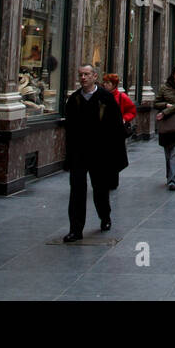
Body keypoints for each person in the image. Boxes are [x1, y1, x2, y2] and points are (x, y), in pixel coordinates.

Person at [63, 64, 128, 241]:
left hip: (100, 154)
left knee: (100, 189)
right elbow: (69, 129)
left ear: (94, 76)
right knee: (77, 191)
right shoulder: (74, 99)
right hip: (79, 153)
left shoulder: (105, 98)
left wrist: (114, 155)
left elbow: (116, 128)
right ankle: (75, 229)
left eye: (86, 74)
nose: (83, 78)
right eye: (80, 75)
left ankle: (105, 217)